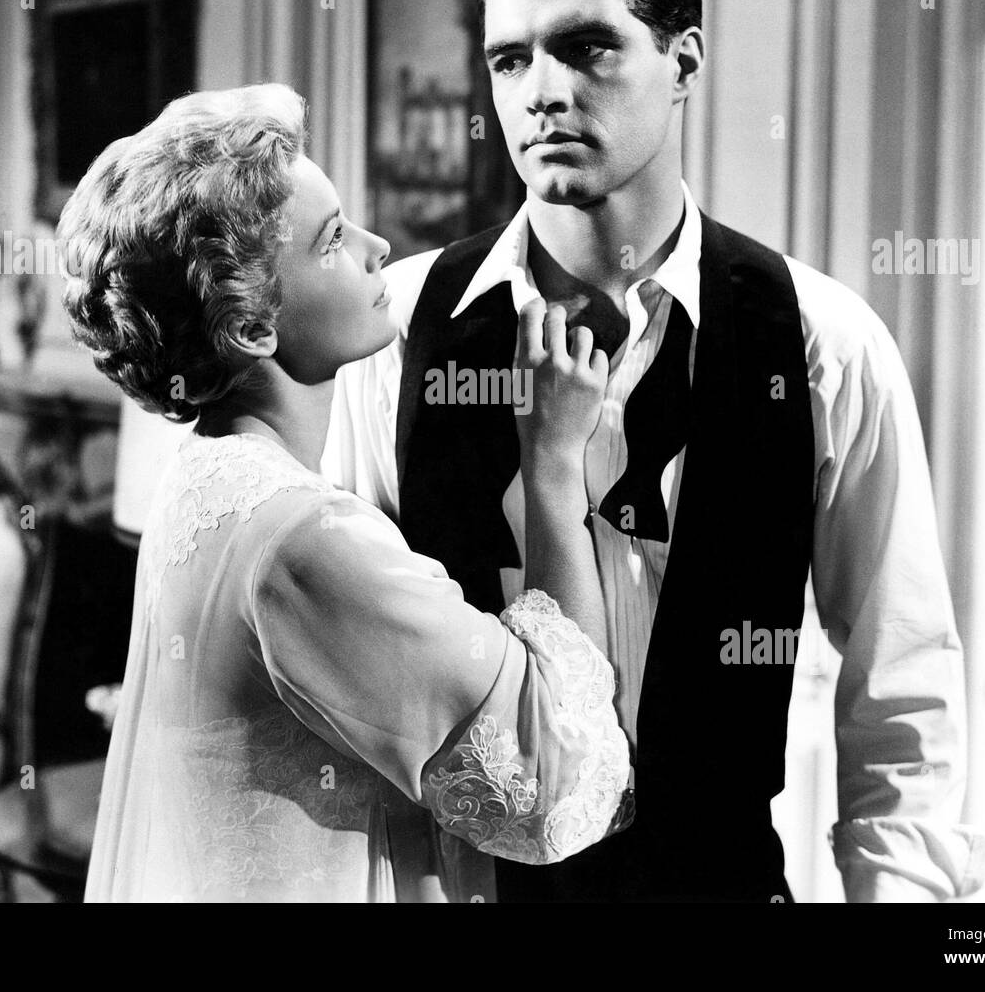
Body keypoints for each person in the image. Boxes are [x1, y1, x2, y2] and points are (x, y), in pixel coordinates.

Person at [324, 0, 985, 901]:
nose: (542, 93)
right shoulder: (399, 332)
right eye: (510, 61)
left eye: (587, 47)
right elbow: (353, 680)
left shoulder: (822, 344)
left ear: (682, 63)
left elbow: (902, 704)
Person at [59, 83, 632, 902]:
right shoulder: (305, 537)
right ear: (253, 326)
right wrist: (551, 465)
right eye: (332, 240)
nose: (377, 245)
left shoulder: (207, 474)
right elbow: (556, 785)